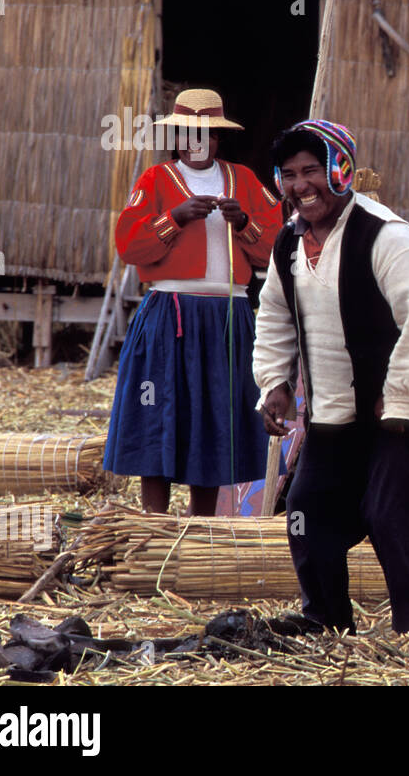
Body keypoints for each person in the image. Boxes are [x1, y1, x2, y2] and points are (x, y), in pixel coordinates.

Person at [252, 119, 409, 636]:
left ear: (342, 170)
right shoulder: (288, 245)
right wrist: (274, 384)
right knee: (305, 510)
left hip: (397, 414)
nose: (301, 185)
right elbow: (273, 315)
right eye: (290, 174)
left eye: (312, 170)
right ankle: (326, 618)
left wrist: (401, 398)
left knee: (389, 510)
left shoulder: (386, 235)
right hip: (332, 413)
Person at [104, 88, 282, 515]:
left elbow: (275, 249)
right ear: (178, 137)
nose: (198, 142)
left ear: (219, 140)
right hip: (171, 313)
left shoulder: (245, 180)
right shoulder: (155, 181)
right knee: (161, 411)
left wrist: (244, 224)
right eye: (190, 133)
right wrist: (175, 218)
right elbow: (128, 246)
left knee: (214, 417)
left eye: (209, 135)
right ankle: (154, 524)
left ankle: (200, 529)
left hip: (227, 314)